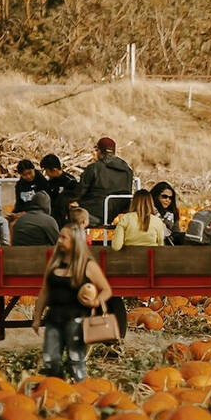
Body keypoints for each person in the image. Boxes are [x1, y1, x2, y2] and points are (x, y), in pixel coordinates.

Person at [31, 223, 111, 383]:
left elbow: (106, 290)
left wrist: (96, 301)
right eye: (59, 237)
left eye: (63, 237)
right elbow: (44, 291)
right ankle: (57, 388)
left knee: (76, 360)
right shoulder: (54, 264)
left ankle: (81, 392)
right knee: (50, 359)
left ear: (75, 241)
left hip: (76, 321)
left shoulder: (88, 265)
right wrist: (37, 317)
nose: (59, 240)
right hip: (54, 319)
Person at [72, 137, 135, 227]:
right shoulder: (127, 170)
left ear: (99, 151)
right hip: (118, 215)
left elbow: (80, 192)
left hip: (94, 213)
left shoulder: (94, 168)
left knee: (67, 207)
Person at [40, 155, 78, 225]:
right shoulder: (50, 182)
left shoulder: (70, 181)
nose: (46, 174)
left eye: (46, 171)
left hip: (63, 217)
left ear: (54, 170)